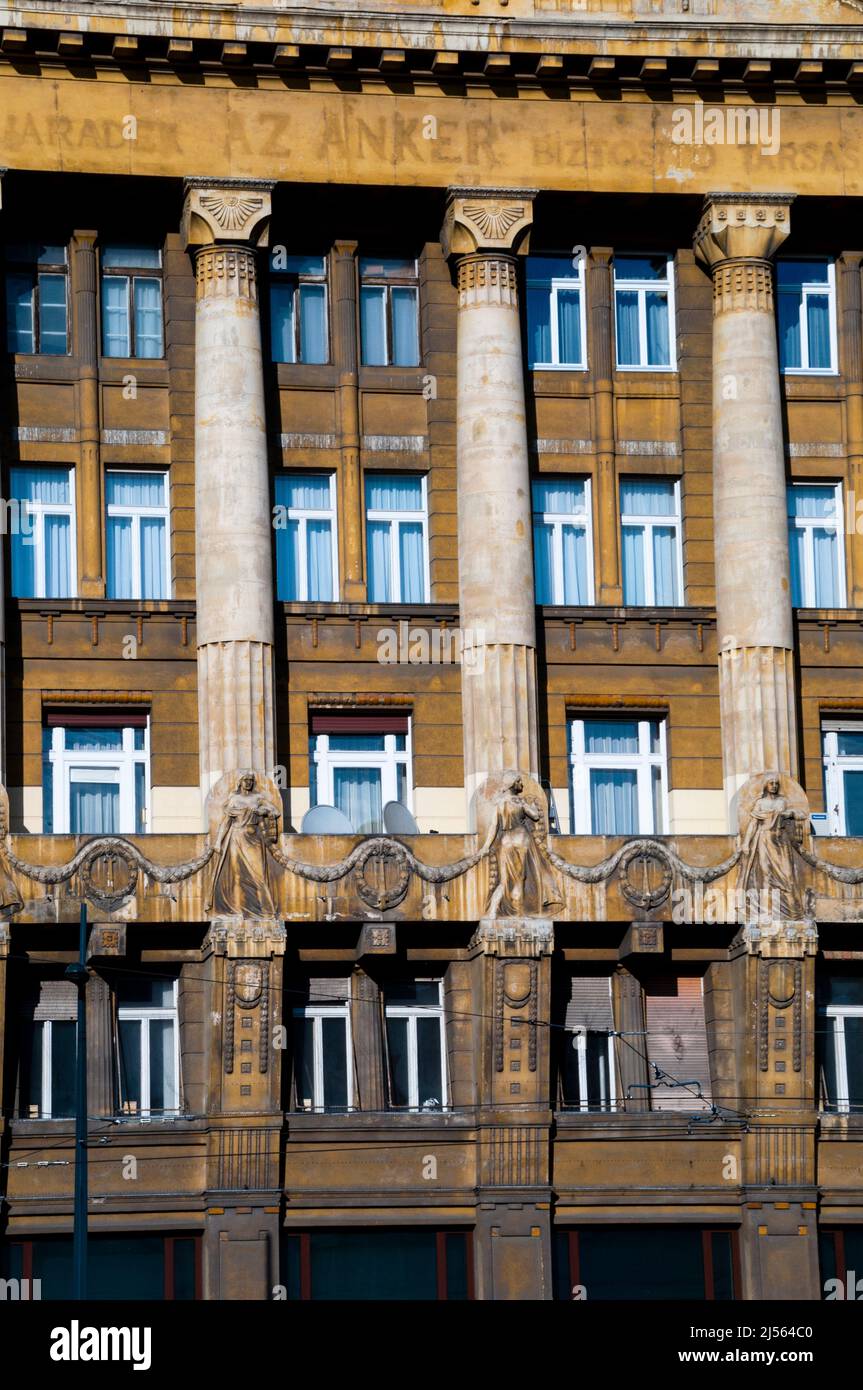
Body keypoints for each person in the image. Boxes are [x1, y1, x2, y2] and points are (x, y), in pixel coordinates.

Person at [482, 774, 563, 919]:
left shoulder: (499, 804)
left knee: (504, 880)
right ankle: (519, 914)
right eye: (519, 782)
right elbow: (535, 816)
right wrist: (530, 805)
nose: (522, 785)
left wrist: (486, 846)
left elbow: (494, 826)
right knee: (520, 879)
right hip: (521, 839)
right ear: (512, 784)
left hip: (505, 841)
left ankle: (493, 911)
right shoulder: (519, 802)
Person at [205, 772, 280, 918]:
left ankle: (265, 909)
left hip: (253, 839)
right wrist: (218, 842)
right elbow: (226, 822)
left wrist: (261, 811)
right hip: (236, 837)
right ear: (240, 782)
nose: (248, 783)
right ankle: (238, 908)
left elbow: (275, 812)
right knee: (237, 875)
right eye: (245, 780)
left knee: (259, 874)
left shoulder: (257, 798)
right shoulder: (234, 799)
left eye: (251, 780)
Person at [739, 775, 804, 918]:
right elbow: (753, 824)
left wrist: (790, 814)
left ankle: (793, 910)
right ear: (766, 786)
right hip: (764, 839)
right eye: (771, 783)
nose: (774, 785)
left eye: (776, 783)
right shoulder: (760, 803)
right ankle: (766, 910)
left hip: (781, 841)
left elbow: (798, 816)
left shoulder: (782, 802)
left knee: (787, 875)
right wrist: (746, 843)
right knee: (766, 873)